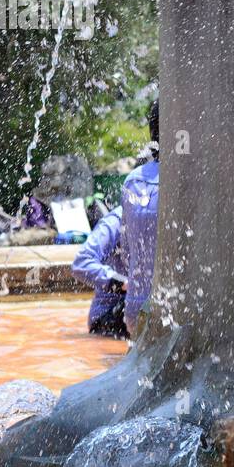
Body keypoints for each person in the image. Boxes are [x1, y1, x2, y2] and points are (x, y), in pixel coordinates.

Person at [120, 101, 160, 336]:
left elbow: (127, 250)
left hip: (135, 304)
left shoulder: (133, 180)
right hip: (176, 308)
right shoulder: (191, 180)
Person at [70, 205, 128, 337]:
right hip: (108, 315)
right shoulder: (115, 221)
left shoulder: (165, 217)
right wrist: (123, 283)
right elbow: (81, 263)